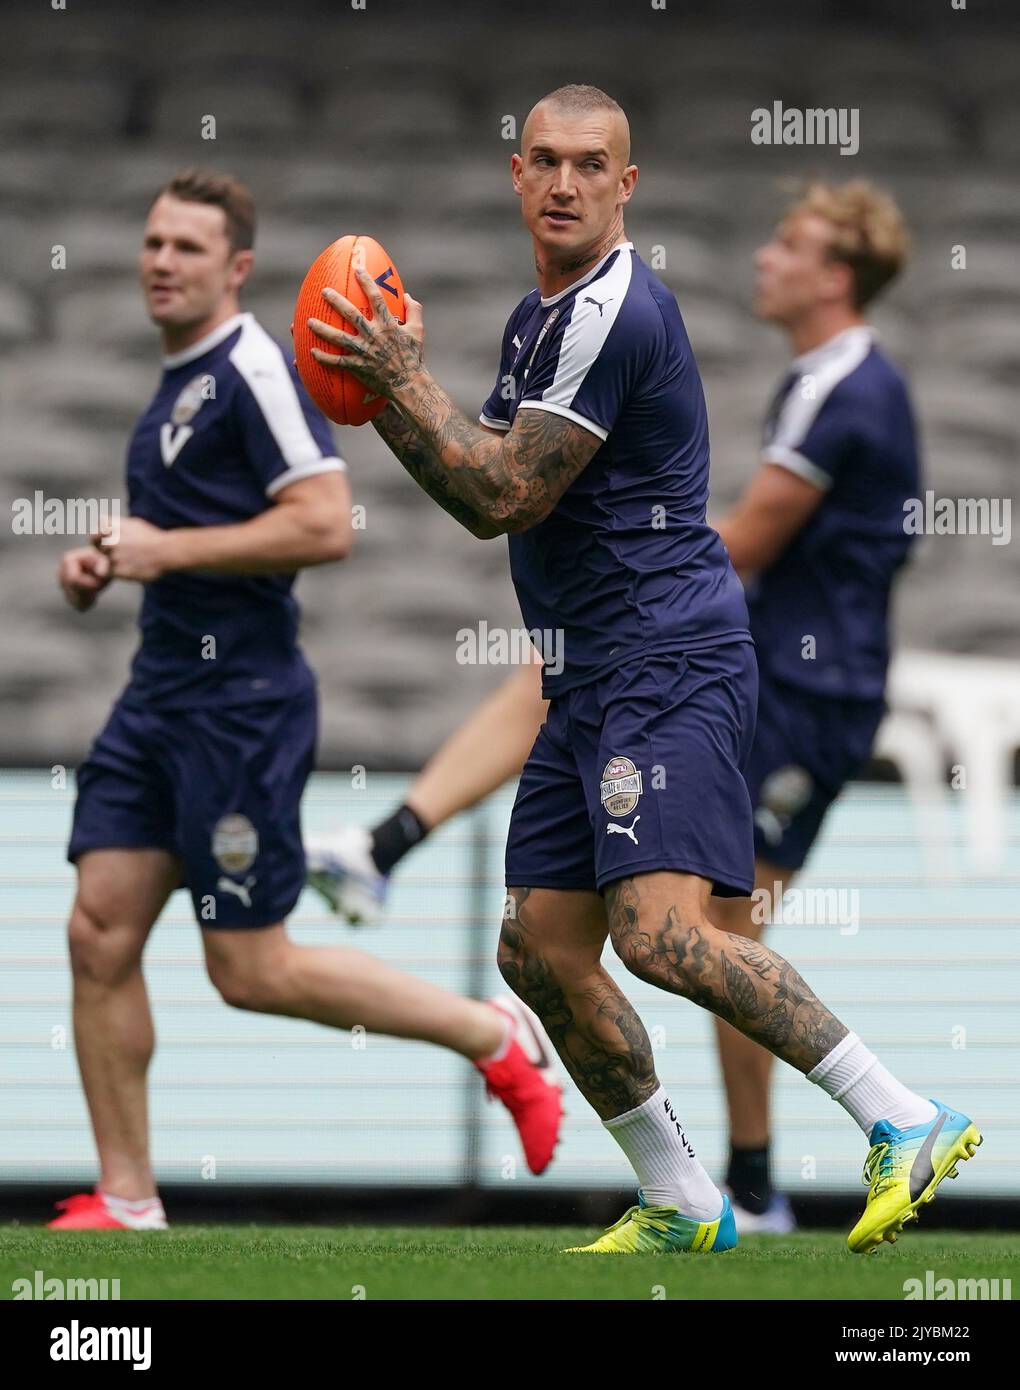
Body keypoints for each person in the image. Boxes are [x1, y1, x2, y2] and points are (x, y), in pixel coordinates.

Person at [306, 87, 980, 1255]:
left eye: (592, 164)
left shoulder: (613, 311)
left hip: (668, 658)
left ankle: (904, 1115)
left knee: (662, 933)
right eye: (547, 162)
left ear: (628, 187)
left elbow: (501, 494)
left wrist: (393, 382)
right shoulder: (538, 314)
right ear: (517, 174)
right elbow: (487, 468)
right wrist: (400, 389)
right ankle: (684, 1195)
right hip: (594, 674)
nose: (565, 183)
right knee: (538, 946)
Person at [50, 169, 561, 1232]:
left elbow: (326, 523)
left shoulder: (252, 370)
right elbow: (186, 543)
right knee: (98, 932)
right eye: (152, 242)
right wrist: (110, 563)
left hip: (240, 706)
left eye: (187, 248)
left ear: (237, 268)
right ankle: (129, 1197)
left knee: (251, 967)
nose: (160, 261)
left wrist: (161, 549)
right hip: (158, 697)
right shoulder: (171, 388)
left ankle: (493, 1036)